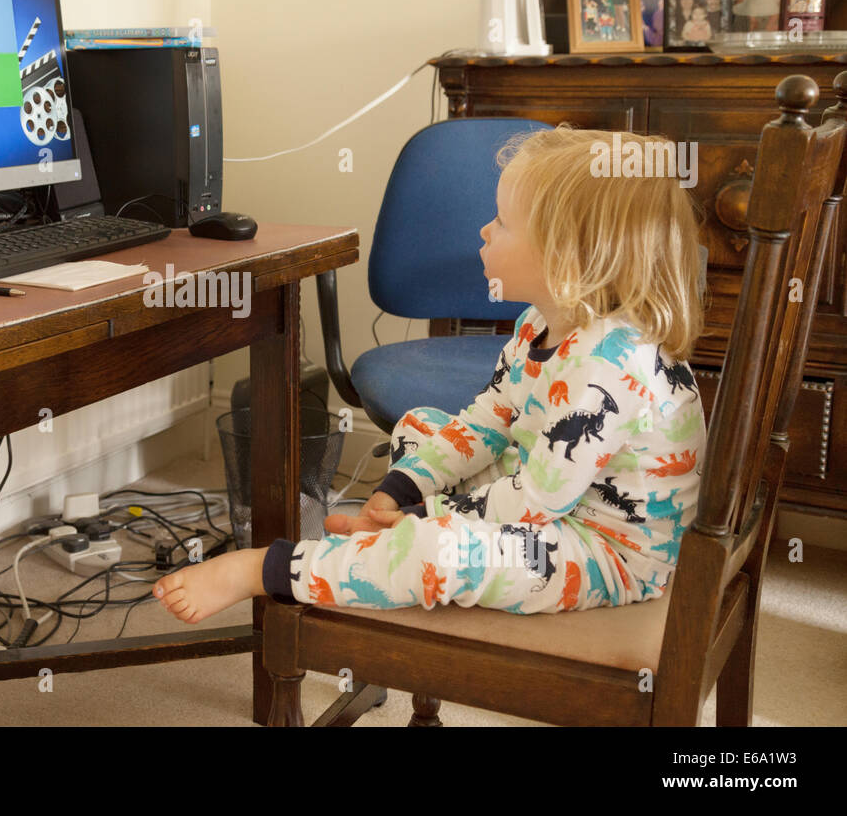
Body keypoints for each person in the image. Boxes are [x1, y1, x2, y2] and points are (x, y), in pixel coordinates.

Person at [153, 127, 708, 621]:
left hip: (603, 549)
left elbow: (539, 503)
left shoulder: (609, 363)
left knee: (436, 552)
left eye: (503, 223)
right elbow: (489, 420)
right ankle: (394, 539)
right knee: (421, 426)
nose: (485, 231)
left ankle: (269, 571)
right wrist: (403, 488)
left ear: (569, 256)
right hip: (550, 497)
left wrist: (428, 515)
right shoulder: (539, 323)